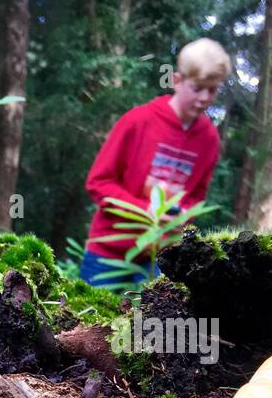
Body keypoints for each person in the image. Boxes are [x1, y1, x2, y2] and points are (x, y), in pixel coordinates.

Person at [80, 38, 231, 288]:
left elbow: (196, 196)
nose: (205, 98)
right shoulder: (137, 122)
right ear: (176, 80)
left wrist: (181, 213)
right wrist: (143, 210)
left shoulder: (209, 139)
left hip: (162, 255)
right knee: (90, 322)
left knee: (153, 326)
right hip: (109, 251)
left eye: (213, 89)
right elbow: (98, 182)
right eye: (197, 88)